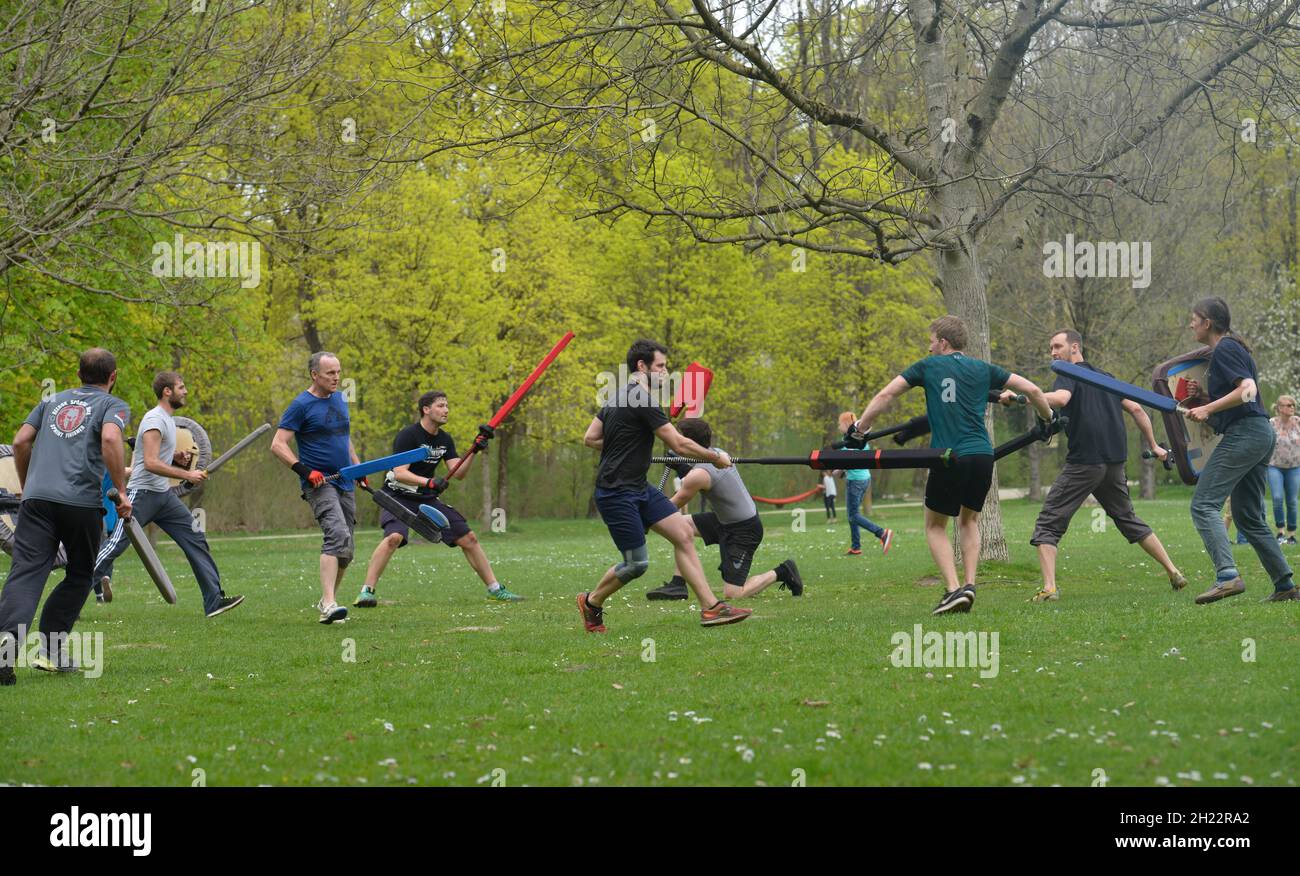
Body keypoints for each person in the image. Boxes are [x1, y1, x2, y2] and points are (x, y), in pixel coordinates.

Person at [851, 315, 1052, 615]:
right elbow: (1034, 391)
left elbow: (886, 394)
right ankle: (969, 585)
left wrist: (860, 429)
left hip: (949, 457)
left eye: (931, 341)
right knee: (969, 521)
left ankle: (953, 589)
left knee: (934, 525)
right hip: (983, 456)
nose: (929, 347)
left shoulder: (927, 366)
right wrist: (1047, 418)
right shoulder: (983, 369)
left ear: (943, 342)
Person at [579, 339, 752, 630]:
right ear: (641, 366)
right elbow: (679, 444)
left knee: (683, 534)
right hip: (615, 493)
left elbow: (591, 438)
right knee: (636, 564)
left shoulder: (618, 396)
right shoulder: (645, 400)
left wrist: (627, 444)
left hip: (639, 487)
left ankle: (711, 608)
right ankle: (591, 601)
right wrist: (715, 457)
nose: (665, 372)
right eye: (660, 366)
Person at [1016, 330, 1186, 602]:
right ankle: (1173, 571)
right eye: (1050, 348)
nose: (1053, 353)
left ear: (1075, 347)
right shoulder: (1106, 378)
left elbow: (1060, 399)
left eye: (1057, 346)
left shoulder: (1068, 373)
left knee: (1048, 522)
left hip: (1085, 462)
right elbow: (1137, 409)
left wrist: (1026, 396)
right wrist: (1154, 445)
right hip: (1114, 463)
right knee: (1128, 519)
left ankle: (1049, 589)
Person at [0, 349, 131, 684]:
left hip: (36, 501)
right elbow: (111, 437)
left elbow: (20, 441)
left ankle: (4, 649)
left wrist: (29, 484)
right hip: (81, 503)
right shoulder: (112, 405)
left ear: (78, 374)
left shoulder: (50, 400)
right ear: (113, 377)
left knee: (26, 573)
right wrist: (121, 491)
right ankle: (50, 651)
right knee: (81, 574)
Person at [92, 372, 243, 617]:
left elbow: (154, 453)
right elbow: (150, 462)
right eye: (181, 387)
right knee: (115, 547)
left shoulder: (168, 420)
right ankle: (71, 592)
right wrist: (187, 474)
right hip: (142, 495)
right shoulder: (155, 419)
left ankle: (214, 601)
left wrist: (175, 457)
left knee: (195, 537)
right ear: (167, 391)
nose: (186, 391)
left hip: (163, 496)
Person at [353, 390, 523, 606]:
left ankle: (495, 589)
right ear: (426, 409)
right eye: (441, 406)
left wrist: (474, 450)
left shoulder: (444, 439)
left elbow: (458, 473)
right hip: (397, 495)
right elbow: (400, 473)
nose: (446, 410)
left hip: (425, 498)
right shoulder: (409, 435)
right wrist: (430, 482)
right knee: (394, 537)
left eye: (447, 406)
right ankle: (366, 592)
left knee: (468, 538)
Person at [1182, 298, 1296, 603]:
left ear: (1207, 322)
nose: (1191, 324)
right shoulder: (1229, 348)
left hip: (1247, 433)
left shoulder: (1225, 348)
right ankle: (1285, 585)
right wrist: (1204, 397)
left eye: (1194, 319)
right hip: (1258, 433)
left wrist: (1207, 407)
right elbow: (1237, 399)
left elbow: (1247, 391)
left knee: (1203, 504)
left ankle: (1227, 576)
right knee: (1247, 516)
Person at [644, 418, 802, 601]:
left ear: (689, 442)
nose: (675, 441)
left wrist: (645, 517)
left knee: (733, 594)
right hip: (723, 520)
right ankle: (678, 584)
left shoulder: (700, 475)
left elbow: (673, 505)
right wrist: (681, 466)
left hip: (744, 530)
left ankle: (783, 571)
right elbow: (700, 473)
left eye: (679, 438)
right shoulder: (719, 453)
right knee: (680, 526)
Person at [271, 352, 363, 624]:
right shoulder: (301, 405)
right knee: (336, 534)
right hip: (320, 484)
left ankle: (327, 600)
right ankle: (330, 604)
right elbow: (278, 444)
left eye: (338, 372)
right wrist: (305, 471)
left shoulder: (340, 399)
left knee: (347, 550)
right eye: (330, 373)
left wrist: (358, 467)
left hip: (345, 480)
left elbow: (344, 438)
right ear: (314, 375)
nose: (337, 378)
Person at [835, 411, 893, 555]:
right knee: (853, 514)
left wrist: (837, 471)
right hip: (865, 479)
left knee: (853, 515)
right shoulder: (861, 440)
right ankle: (856, 547)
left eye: (839, 424)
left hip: (855, 481)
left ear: (846, 424)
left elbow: (843, 464)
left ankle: (882, 533)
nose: (838, 427)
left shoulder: (847, 443)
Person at [1267, 395, 1299, 545]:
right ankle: (1280, 532)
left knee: (1292, 501)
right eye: (1288, 405)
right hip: (1274, 467)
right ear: (1279, 408)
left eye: (1293, 405)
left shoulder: (1298, 422)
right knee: (1277, 498)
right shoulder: (1272, 423)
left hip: (1294, 467)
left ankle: (1291, 534)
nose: (1291, 408)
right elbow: (1265, 442)